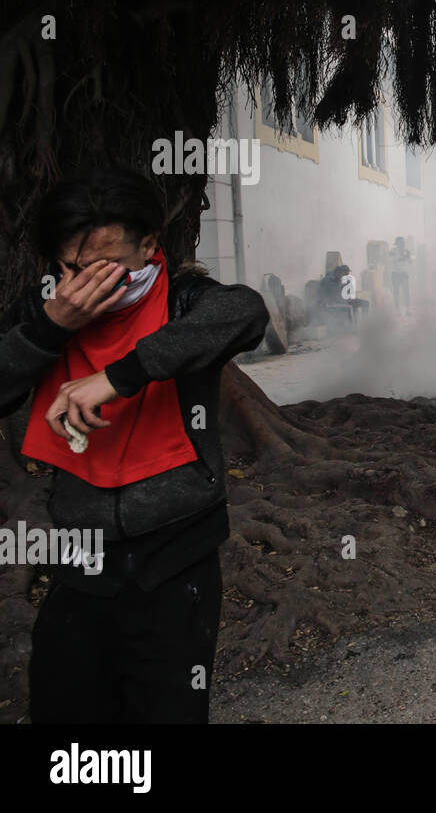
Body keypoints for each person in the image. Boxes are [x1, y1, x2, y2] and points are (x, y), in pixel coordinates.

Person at [0, 168, 269, 723]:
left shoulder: (183, 299)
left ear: (148, 246)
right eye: (74, 268)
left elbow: (245, 313)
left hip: (177, 553)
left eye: (108, 267)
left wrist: (119, 376)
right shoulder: (46, 307)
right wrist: (51, 328)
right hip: (79, 553)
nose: (89, 285)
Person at [388, 236, 412, 315]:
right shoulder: (392, 251)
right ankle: (398, 310)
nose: (402, 245)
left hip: (404, 273)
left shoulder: (407, 251)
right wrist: (400, 257)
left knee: (406, 292)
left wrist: (408, 257)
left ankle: (408, 310)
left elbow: (410, 262)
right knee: (396, 293)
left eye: (403, 243)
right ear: (397, 244)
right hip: (395, 274)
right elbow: (390, 260)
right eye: (401, 243)